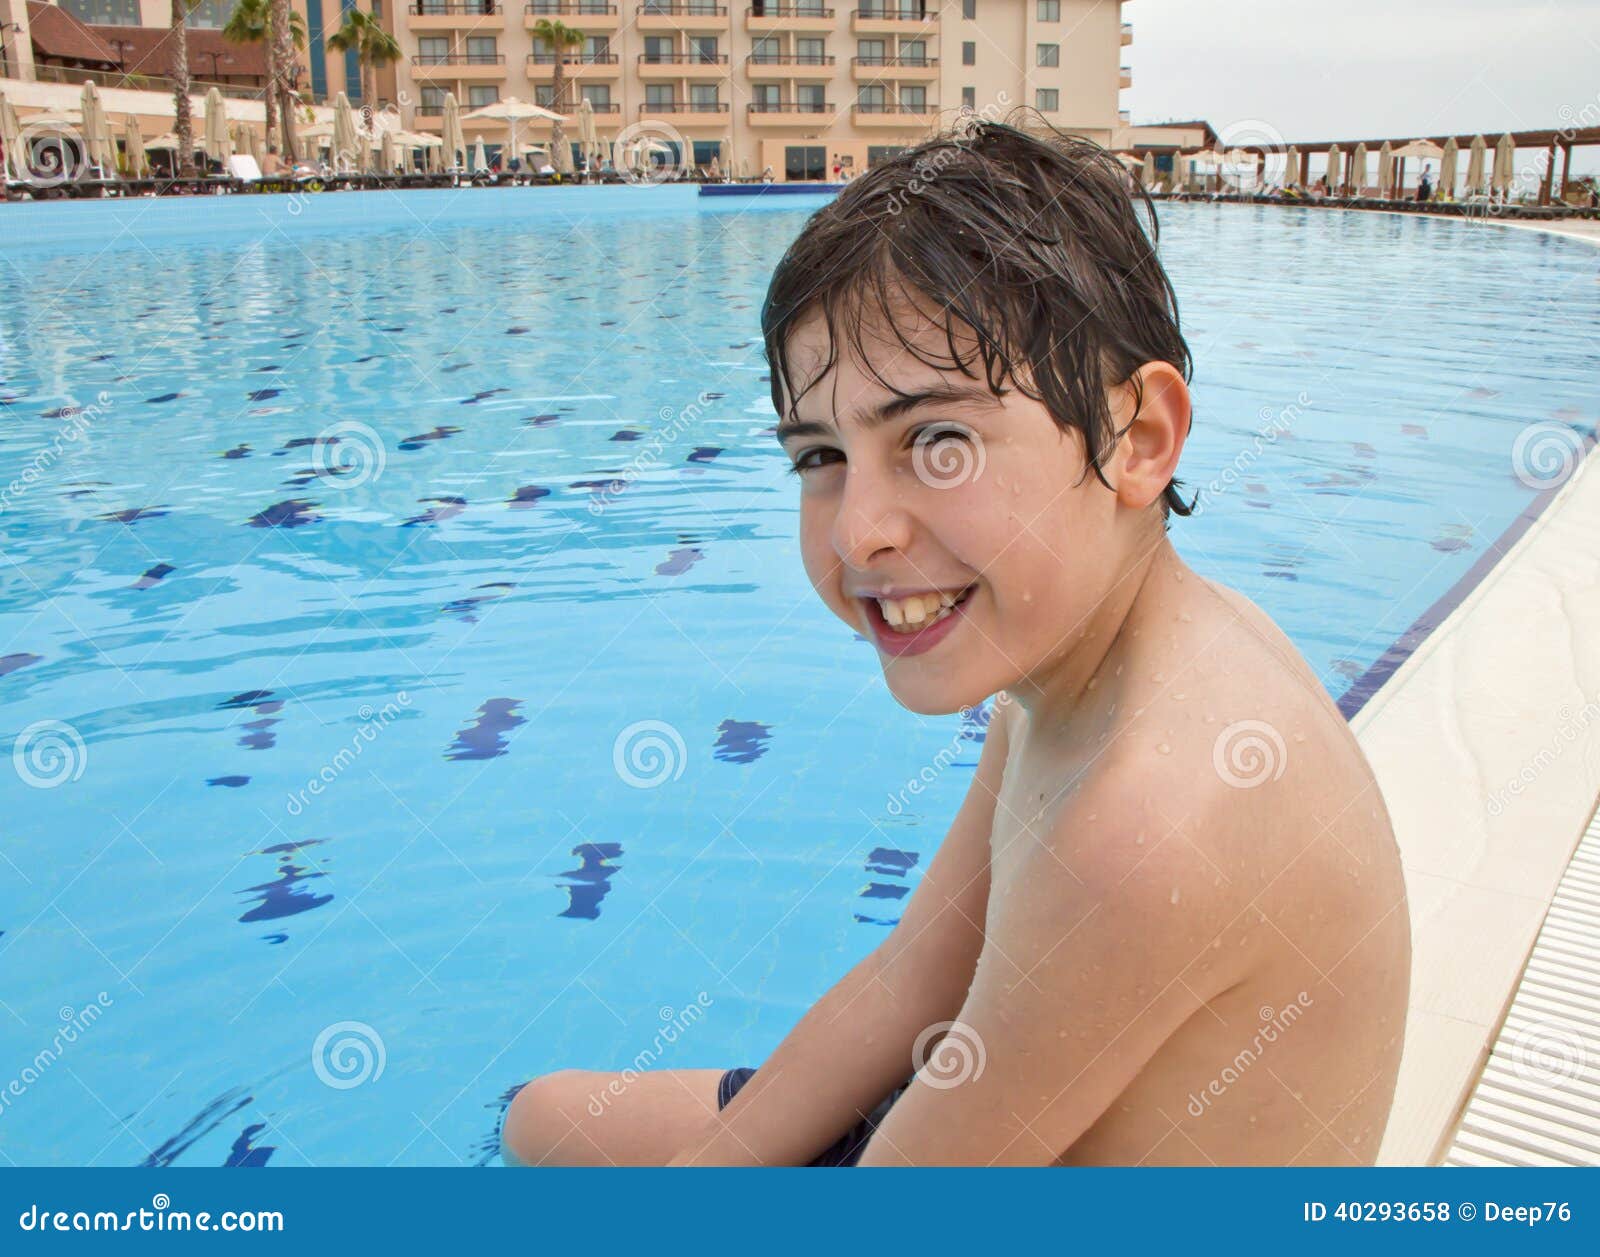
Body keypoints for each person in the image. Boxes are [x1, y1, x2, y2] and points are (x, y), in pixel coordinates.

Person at [500, 119, 1410, 1168]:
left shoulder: (1144, 823)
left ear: (1139, 438)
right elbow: (910, 984)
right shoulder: (1070, 674)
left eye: (935, 441)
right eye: (821, 455)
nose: (858, 531)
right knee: (547, 1121)